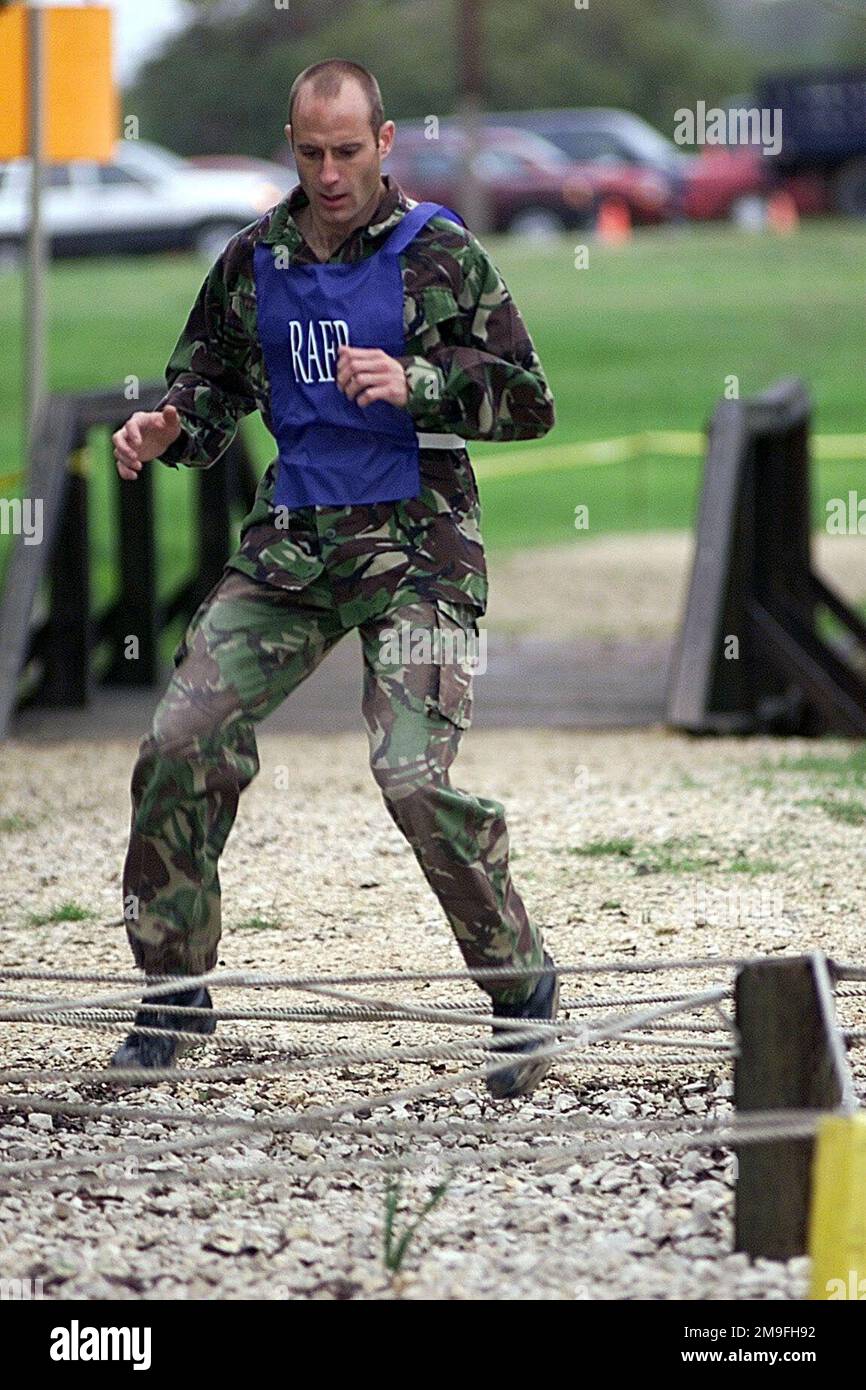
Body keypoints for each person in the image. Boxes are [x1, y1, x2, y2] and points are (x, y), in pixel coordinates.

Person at [110, 59, 559, 1098]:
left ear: (384, 141)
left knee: (411, 775)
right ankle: (173, 991)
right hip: (293, 549)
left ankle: (520, 987)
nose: (327, 173)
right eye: (309, 152)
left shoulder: (438, 253)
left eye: (346, 152)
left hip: (421, 552)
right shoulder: (251, 258)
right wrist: (167, 427)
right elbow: (209, 389)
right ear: (290, 144)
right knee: (178, 738)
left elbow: (528, 399)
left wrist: (422, 382)